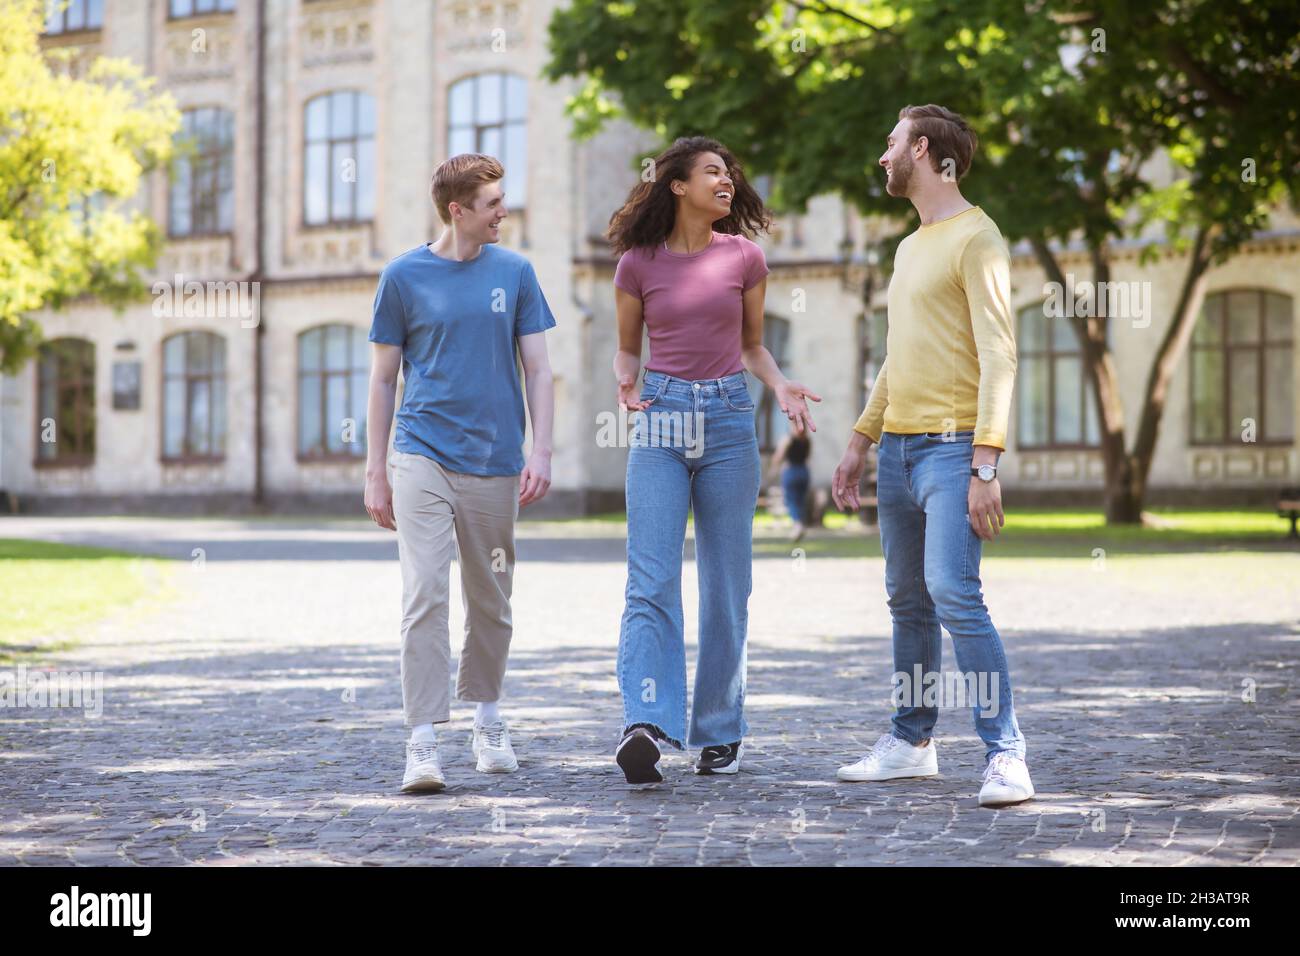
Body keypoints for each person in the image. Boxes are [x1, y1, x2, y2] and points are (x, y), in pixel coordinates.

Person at [831, 105, 1033, 807]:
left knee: (953, 591)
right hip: (898, 453)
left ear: (921, 149)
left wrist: (985, 463)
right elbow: (897, 357)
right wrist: (859, 442)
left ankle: (1006, 753)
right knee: (908, 603)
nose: (881, 156)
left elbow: (1001, 352)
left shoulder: (979, 238)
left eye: (891, 143)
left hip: (953, 452)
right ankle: (912, 742)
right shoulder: (910, 247)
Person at [609, 136, 821, 783]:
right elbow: (627, 349)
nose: (725, 181)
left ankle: (721, 732)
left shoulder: (746, 259)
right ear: (677, 185)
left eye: (728, 172)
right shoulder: (637, 265)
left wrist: (780, 384)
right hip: (662, 419)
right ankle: (645, 722)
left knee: (727, 586)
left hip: (730, 420)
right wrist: (624, 381)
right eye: (711, 172)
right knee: (651, 579)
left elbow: (753, 346)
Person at [364, 153, 556, 794]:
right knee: (425, 593)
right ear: (458, 209)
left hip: (496, 459)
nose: (505, 211)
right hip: (420, 453)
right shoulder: (402, 278)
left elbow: (539, 370)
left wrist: (543, 450)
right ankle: (421, 742)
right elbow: (383, 379)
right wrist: (375, 470)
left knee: (491, 597)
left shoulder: (516, 273)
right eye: (494, 202)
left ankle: (488, 718)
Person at [769, 423, 812, 541]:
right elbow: (808, 457)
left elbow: (778, 457)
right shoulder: (807, 440)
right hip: (804, 471)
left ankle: (797, 525)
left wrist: (773, 471)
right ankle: (800, 525)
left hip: (791, 471)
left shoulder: (788, 439)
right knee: (800, 501)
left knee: (790, 500)